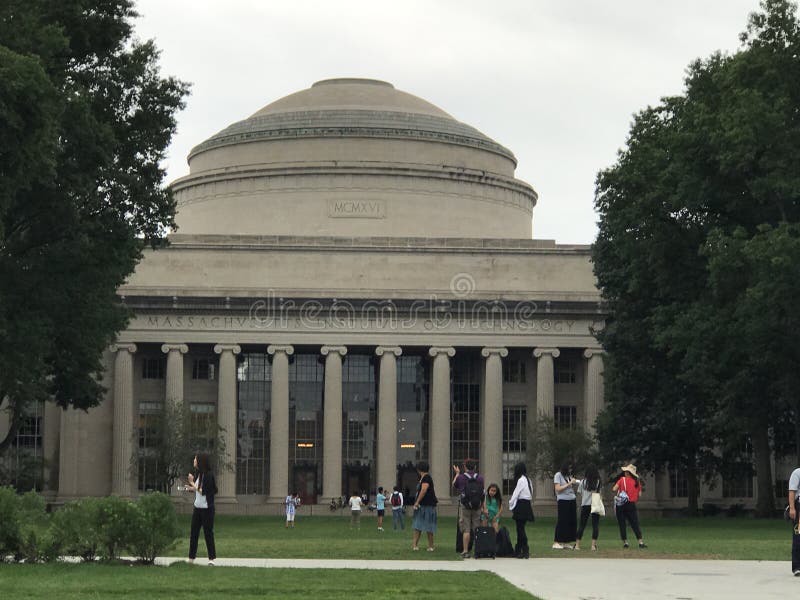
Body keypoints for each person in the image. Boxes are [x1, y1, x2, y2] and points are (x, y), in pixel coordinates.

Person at [186, 453, 217, 565]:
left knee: (208, 533)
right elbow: (198, 489)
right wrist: (191, 487)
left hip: (207, 509)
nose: (194, 460)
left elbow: (203, 491)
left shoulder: (209, 475)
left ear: (200, 461)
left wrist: (192, 483)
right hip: (197, 508)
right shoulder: (199, 474)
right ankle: (191, 558)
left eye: (195, 459)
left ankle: (211, 559)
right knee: (194, 533)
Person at [452, 459, 485, 558]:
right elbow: (482, 493)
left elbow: (454, 485)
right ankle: (478, 550)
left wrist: (457, 473)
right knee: (476, 528)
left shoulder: (461, 478)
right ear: (475, 467)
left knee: (466, 529)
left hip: (465, 506)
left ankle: (465, 551)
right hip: (477, 506)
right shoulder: (480, 478)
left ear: (465, 467)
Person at [613, 463, 646, 549]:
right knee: (635, 523)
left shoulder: (622, 479)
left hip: (621, 504)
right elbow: (640, 494)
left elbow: (614, 489)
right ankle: (640, 542)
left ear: (628, 473)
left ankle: (625, 542)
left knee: (622, 523)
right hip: (631, 504)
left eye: (626, 471)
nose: (624, 472)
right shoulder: (637, 482)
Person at [508, 461, 534, 559]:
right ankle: (518, 550)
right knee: (520, 528)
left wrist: (511, 503)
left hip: (521, 505)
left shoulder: (521, 480)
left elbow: (516, 493)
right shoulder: (528, 480)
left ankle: (525, 549)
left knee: (520, 529)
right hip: (527, 504)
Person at [411, 460, 438, 552]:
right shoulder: (423, 478)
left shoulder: (426, 478)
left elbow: (424, 490)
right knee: (417, 525)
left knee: (428, 526)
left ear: (419, 469)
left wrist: (417, 502)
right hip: (423, 506)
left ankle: (431, 546)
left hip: (428, 506)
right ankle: (414, 545)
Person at [575, 465, 601, 551]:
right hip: (595, 504)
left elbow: (580, 493)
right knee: (595, 525)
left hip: (585, 504)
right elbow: (599, 493)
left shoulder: (582, 482)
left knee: (582, 525)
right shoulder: (598, 482)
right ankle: (593, 545)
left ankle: (577, 545)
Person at [553, 464, 578, 549]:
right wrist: (569, 483)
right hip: (563, 500)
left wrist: (573, 482)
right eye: (569, 468)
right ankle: (556, 541)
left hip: (572, 499)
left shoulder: (568, 476)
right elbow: (558, 488)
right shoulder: (558, 475)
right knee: (562, 521)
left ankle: (566, 542)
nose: (570, 470)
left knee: (570, 521)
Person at [788, 466, 800, 575]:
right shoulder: (797, 473)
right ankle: (797, 567)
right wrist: (792, 508)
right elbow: (792, 491)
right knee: (798, 536)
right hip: (799, 506)